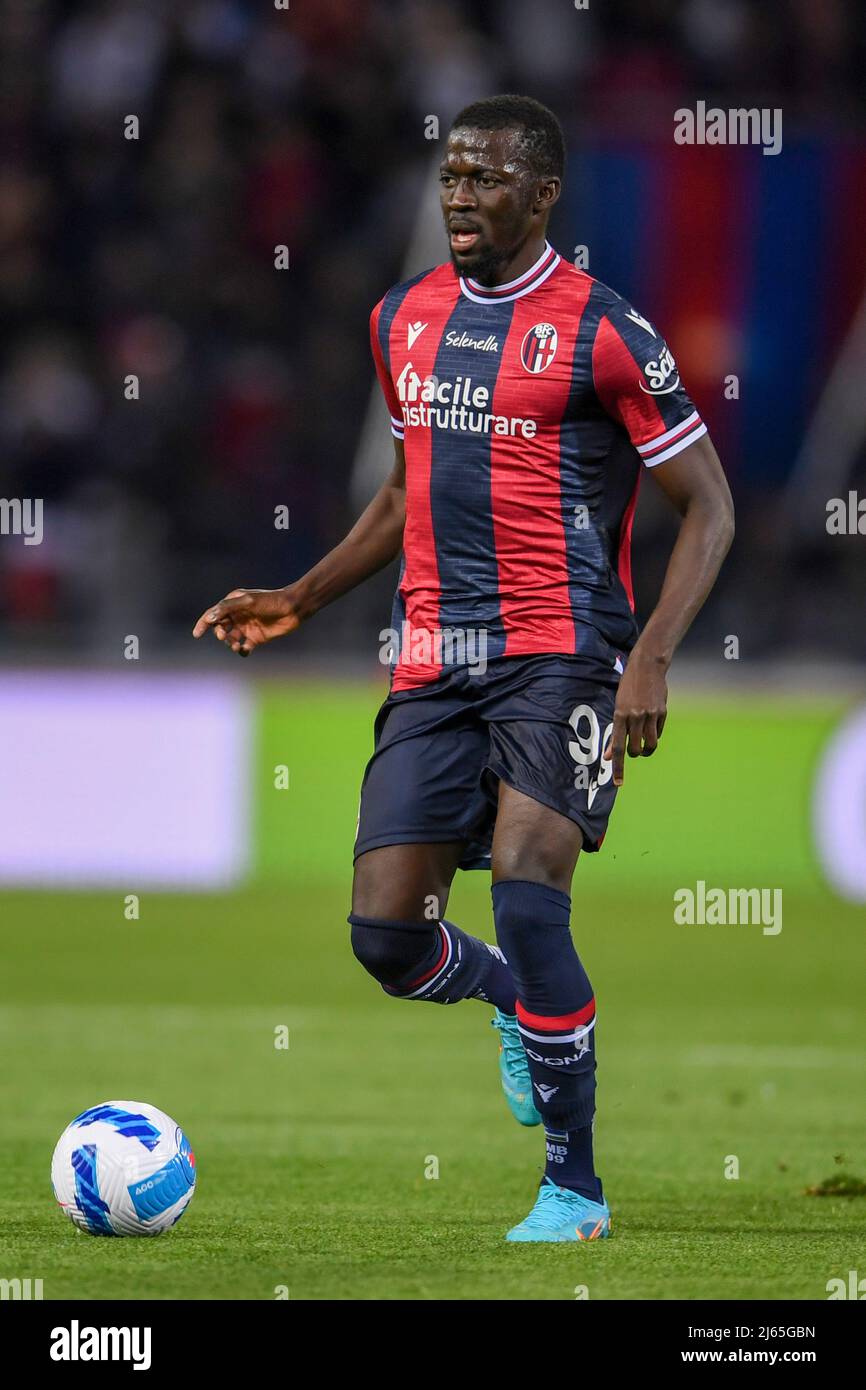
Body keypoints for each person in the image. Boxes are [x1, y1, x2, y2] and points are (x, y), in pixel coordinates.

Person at [194, 94, 734, 1242]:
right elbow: (400, 491)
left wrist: (648, 657)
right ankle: (503, 999)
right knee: (384, 937)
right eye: (448, 177)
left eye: (485, 179)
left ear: (541, 197)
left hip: (563, 654)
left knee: (532, 888)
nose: (458, 197)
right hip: (432, 659)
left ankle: (572, 1188)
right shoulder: (402, 318)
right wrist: (299, 594)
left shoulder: (603, 329)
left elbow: (709, 509)